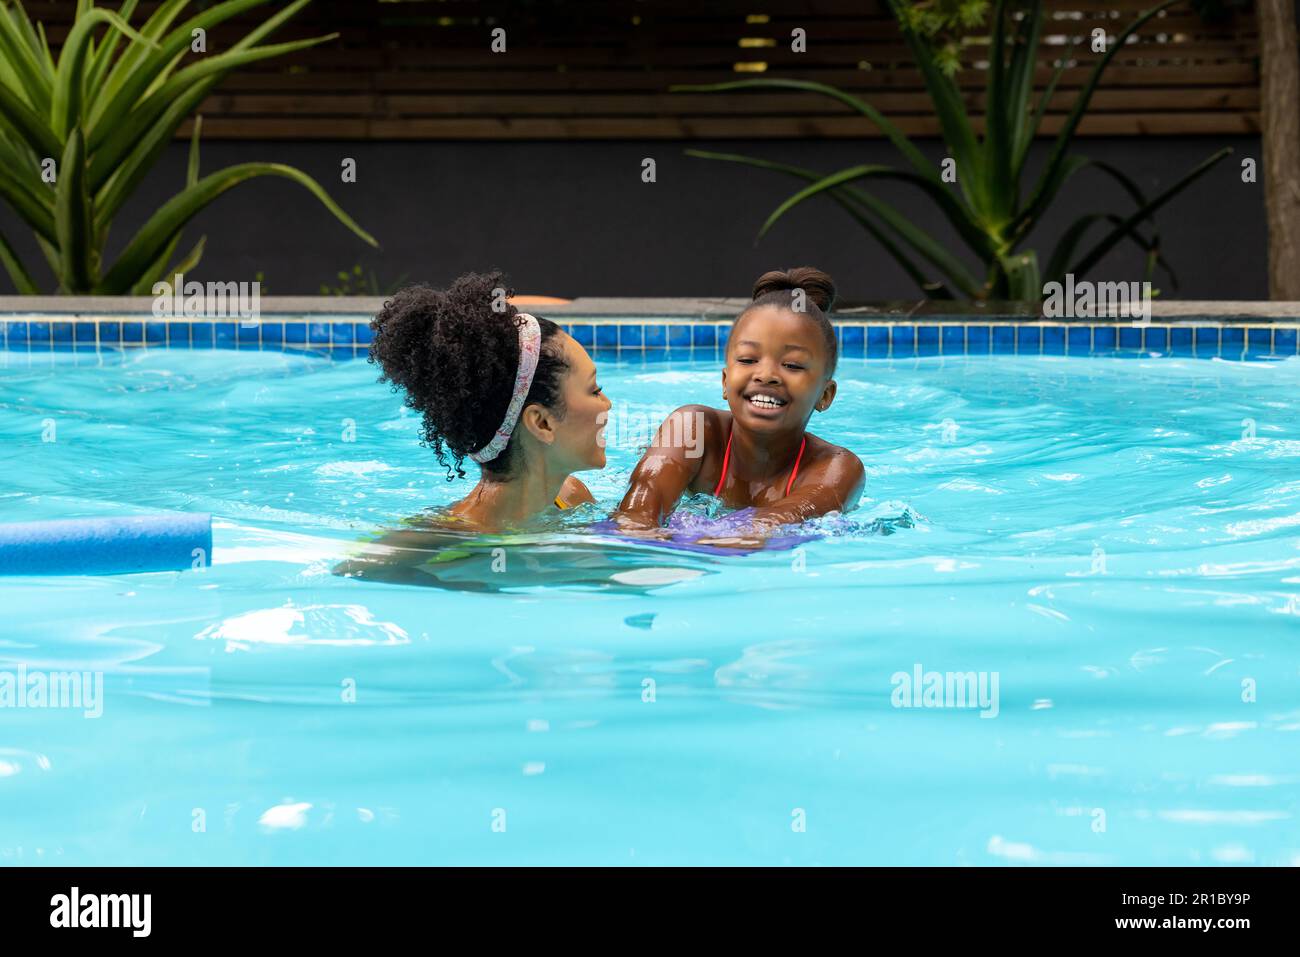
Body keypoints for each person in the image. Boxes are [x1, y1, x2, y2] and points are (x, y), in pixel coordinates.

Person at [614, 267, 864, 539]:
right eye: (747, 360)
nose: (766, 375)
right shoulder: (692, 430)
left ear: (825, 396)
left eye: (792, 365)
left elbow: (767, 528)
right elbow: (636, 515)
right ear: (724, 381)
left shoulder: (838, 469)